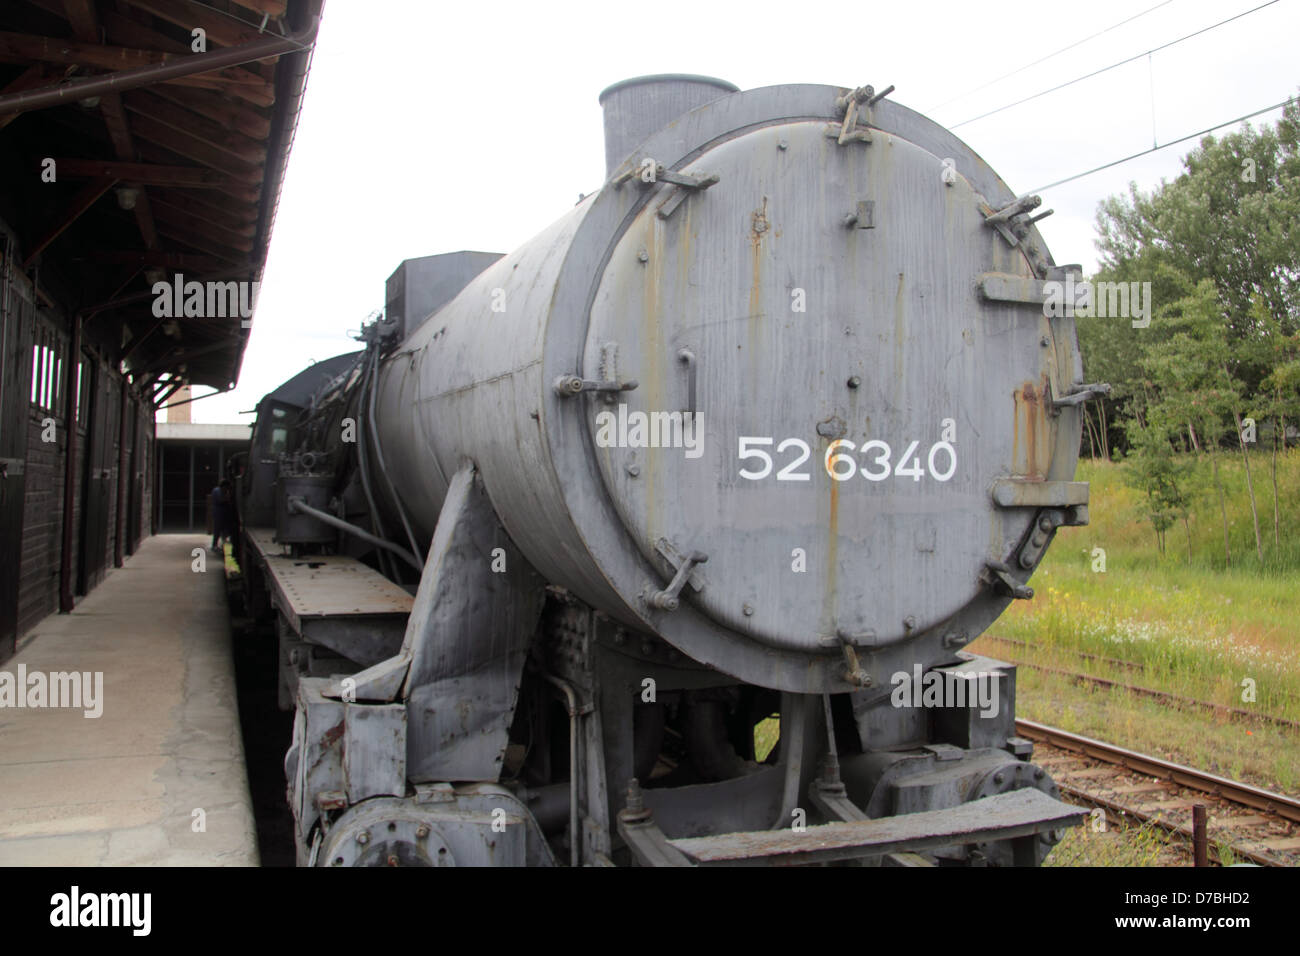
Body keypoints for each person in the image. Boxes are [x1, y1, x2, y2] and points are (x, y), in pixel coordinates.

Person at [211, 479, 234, 551]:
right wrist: (228, 498)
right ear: (224, 486)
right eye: (226, 487)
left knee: (223, 530)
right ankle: (214, 545)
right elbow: (221, 500)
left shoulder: (219, 491)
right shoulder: (217, 491)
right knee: (217, 529)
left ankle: (221, 545)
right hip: (218, 513)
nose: (226, 489)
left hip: (222, 513)